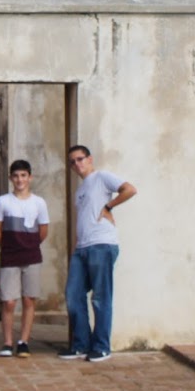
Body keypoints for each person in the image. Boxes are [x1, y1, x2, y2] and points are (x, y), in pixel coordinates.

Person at [62, 145, 136, 362]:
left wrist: (109, 207)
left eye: (80, 159)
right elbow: (83, 219)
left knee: (101, 298)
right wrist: (77, 245)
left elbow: (130, 189)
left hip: (102, 245)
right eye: (73, 161)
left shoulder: (102, 177)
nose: (77, 164)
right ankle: (81, 345)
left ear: (90, 159)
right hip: (82, 248)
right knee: (73, 296)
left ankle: (102, 347)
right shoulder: (80, 191)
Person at [0, 159, 49, 358]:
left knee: (29, 299)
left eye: (23, 175)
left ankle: (23, 341)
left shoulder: (39, 202)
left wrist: (29, 244)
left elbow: (43, 230)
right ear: (10, 178)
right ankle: (7, 342)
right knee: (9, 301)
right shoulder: (3, 201)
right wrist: (8, 244)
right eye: (15, 176)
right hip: (10, 256)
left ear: (29, 177)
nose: (19, 179)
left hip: (31, 256)